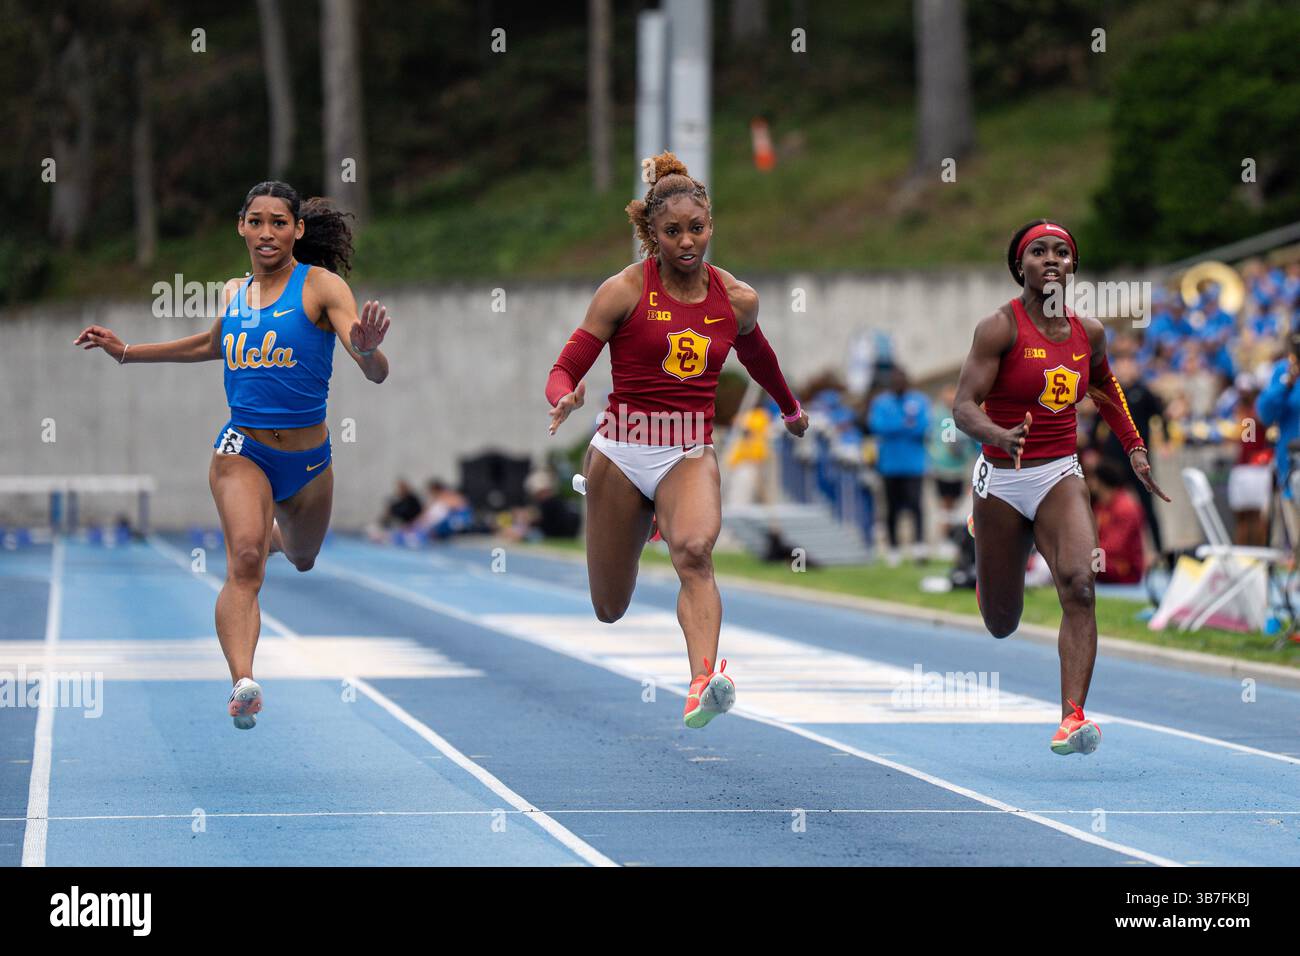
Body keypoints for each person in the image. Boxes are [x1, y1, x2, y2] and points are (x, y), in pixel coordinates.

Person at [74, 181, 391, 730]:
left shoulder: (321, 286)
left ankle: (272, 534)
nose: (266, 232)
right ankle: (243, 680)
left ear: (297, 230)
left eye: (278, 222)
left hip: (309, 459)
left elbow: (374, 366)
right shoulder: (233, 292)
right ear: (241, 226)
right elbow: (210, 344)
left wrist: (367, 349)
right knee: (244, 563)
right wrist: (127, 352)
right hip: (242, 448)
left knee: (302, 557)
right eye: (256, 221)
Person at [546, 151, 808, 729]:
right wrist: (563, 394)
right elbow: (567, 364)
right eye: (673, 232)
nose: (687, 242)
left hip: (688, 450)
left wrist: (789, 406)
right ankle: (640, 518)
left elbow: (757, 354)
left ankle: (702, 681)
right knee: (609, 608)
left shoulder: (735, 298)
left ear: (711, 226)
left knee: (694, 552)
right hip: (620, 449)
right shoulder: (622, 291)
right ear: (652, 233)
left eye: (698, 229)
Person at [952, 219, 1169, 756]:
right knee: (1001, 623)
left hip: (1058, 474)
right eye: (1039, 252)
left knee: (1079, 584)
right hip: (1001, 479)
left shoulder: (1087, 333)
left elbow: (1106, 388)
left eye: (1062, 252)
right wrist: (1000, 433)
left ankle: (1072, 717)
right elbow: (961, 407)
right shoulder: (998, 329)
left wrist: (1135, 447)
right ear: (1020, 265)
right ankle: (988, 559)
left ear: (1073, 267)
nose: (1051, 259)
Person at [868, 367, 930, 563]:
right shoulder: (881, 402)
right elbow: (878, 426)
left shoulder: (919, 400)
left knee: (916, 505)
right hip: (889, 465)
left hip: (913, 464)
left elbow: (922, 427)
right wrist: (905, 424)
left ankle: (919, 546)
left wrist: (897, 426)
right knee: (891, 507)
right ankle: (893, 548)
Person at [1086, 460, 1146, 584]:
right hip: (1105, 560)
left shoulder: (1125, 508)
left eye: (1092, 478)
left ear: (1100, 482)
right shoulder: (1101, 507)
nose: (1089, 483)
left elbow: (1116, 546)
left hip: (1126, 569)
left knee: (1078, 562)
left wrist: (1086, 551)